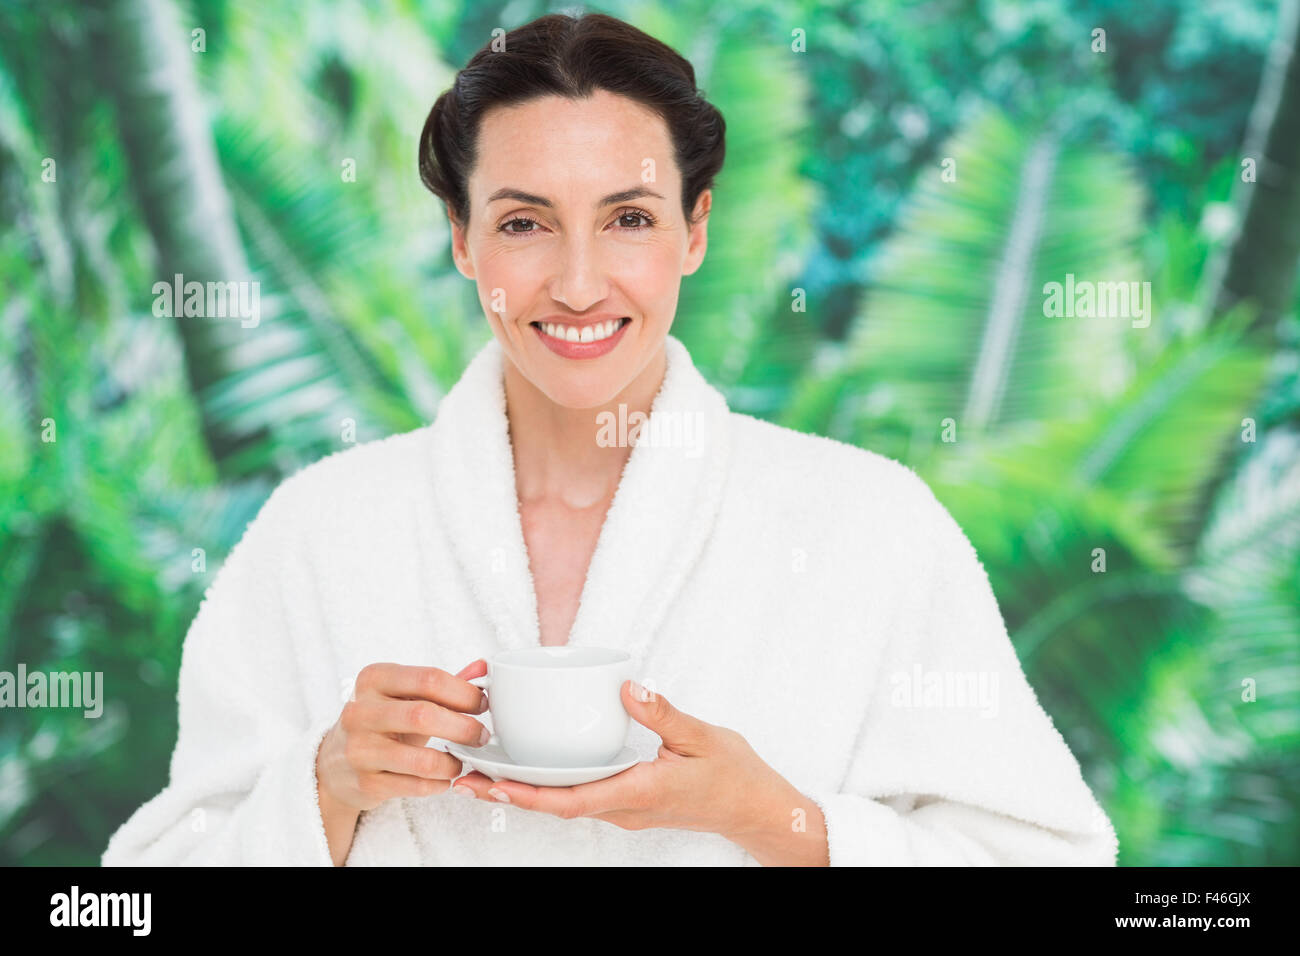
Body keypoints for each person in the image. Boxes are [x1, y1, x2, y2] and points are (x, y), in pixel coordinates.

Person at [103, 11, 1117, 866]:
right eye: (524, 224)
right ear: (461, 237)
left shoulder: (870, 526)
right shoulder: (321, 532)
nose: (579, 282)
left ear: (696, 229)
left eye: (628, 218)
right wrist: (320, 791)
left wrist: (773, 817)